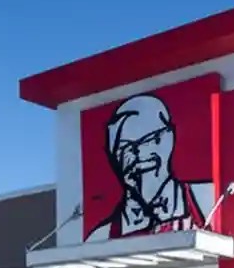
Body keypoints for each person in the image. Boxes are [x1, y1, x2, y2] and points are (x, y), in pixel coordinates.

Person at [86, 93, 215, 242]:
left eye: (151, 140)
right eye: (127, 147)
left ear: (170, 138)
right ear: (114, 158)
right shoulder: (98, 239)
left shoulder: (209, 200)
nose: (140, 153)